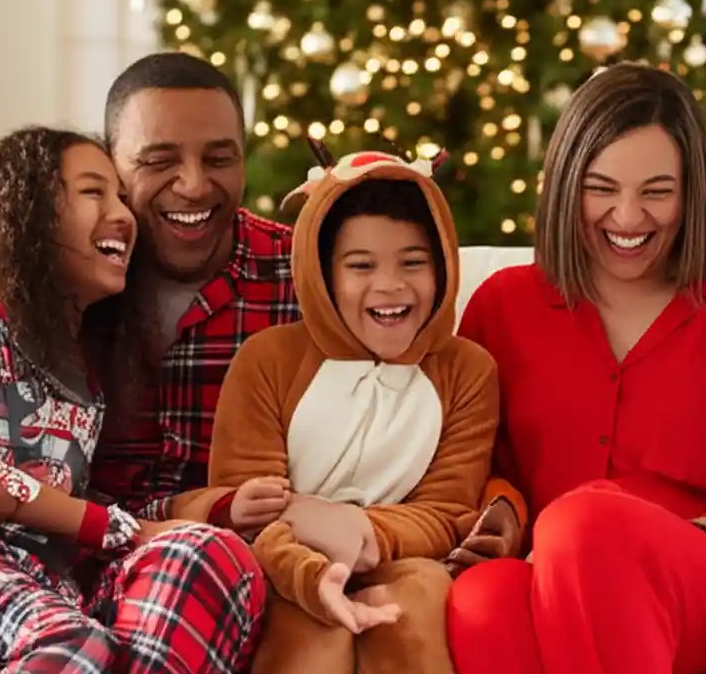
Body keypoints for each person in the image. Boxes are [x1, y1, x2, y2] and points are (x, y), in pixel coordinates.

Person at [0, 52, 296, 670]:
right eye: (158, 162)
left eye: (220, 158)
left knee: (209, 556)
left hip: (126, 557)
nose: (194, 185)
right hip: (17, 549)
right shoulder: (61, 289)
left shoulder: (300, 278)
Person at [443, 62, 706, 673]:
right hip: (551, 572)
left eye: (656, 192)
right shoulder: (502, 306)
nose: (628, 217)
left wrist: (669, 539)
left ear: (691, 192)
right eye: (601, 189)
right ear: (566, 185)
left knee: (584, 525)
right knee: (483, 598)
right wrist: (504, 514)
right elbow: (472, 467)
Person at [177, 144, 501, 673]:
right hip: (283, 563)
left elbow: (447, 513)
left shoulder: (467, 371)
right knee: (309, 632)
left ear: (443, 266)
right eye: (361, 266)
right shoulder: (269, 359)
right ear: (323, 275)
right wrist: (309, 572)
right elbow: (249, 510)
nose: (390, 285)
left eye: (413, 263)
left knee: (414, 603)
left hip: (402, 559)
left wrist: (357, 530)